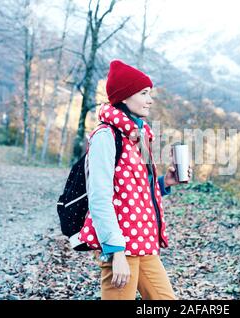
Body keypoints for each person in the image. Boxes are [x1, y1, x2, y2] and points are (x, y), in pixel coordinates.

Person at [78, 59, 192, 300]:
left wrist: (164, 183)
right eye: (144, 93)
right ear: (125, 96)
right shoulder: (106, 136)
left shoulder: (136, 135)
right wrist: (116, 252)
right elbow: (99, 198)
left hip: (143, 243)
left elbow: (134, 192)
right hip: (120, 246)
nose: (150, 99)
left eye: (150, 93)